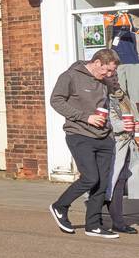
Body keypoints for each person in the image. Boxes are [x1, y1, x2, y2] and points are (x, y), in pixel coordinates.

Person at [50, 48, 121, 237]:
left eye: (112, 72)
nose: (108, 74)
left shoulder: (105, 80)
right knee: (90, 177)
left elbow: (118, 97)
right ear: (97, 62)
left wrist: (114, 83)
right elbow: (56, 100)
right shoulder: (71, 76)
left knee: (102, 182)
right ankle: (60, 206)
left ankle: (93, 225)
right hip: (79, 134)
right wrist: (84, 117)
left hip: (104, 136)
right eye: (107, 70)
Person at [105, 80, 139, 235]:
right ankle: (116, 222)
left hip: (128, 146)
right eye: (111, 76)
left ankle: (117, 221)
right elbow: (107, 122)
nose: (115, 81)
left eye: (116, 76)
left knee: (122, 180)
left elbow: (134, 117)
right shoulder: (104, 96)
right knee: (114, 183)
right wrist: (122, 126)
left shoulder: (124, 97)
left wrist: (136, 126)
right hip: (115, 146)